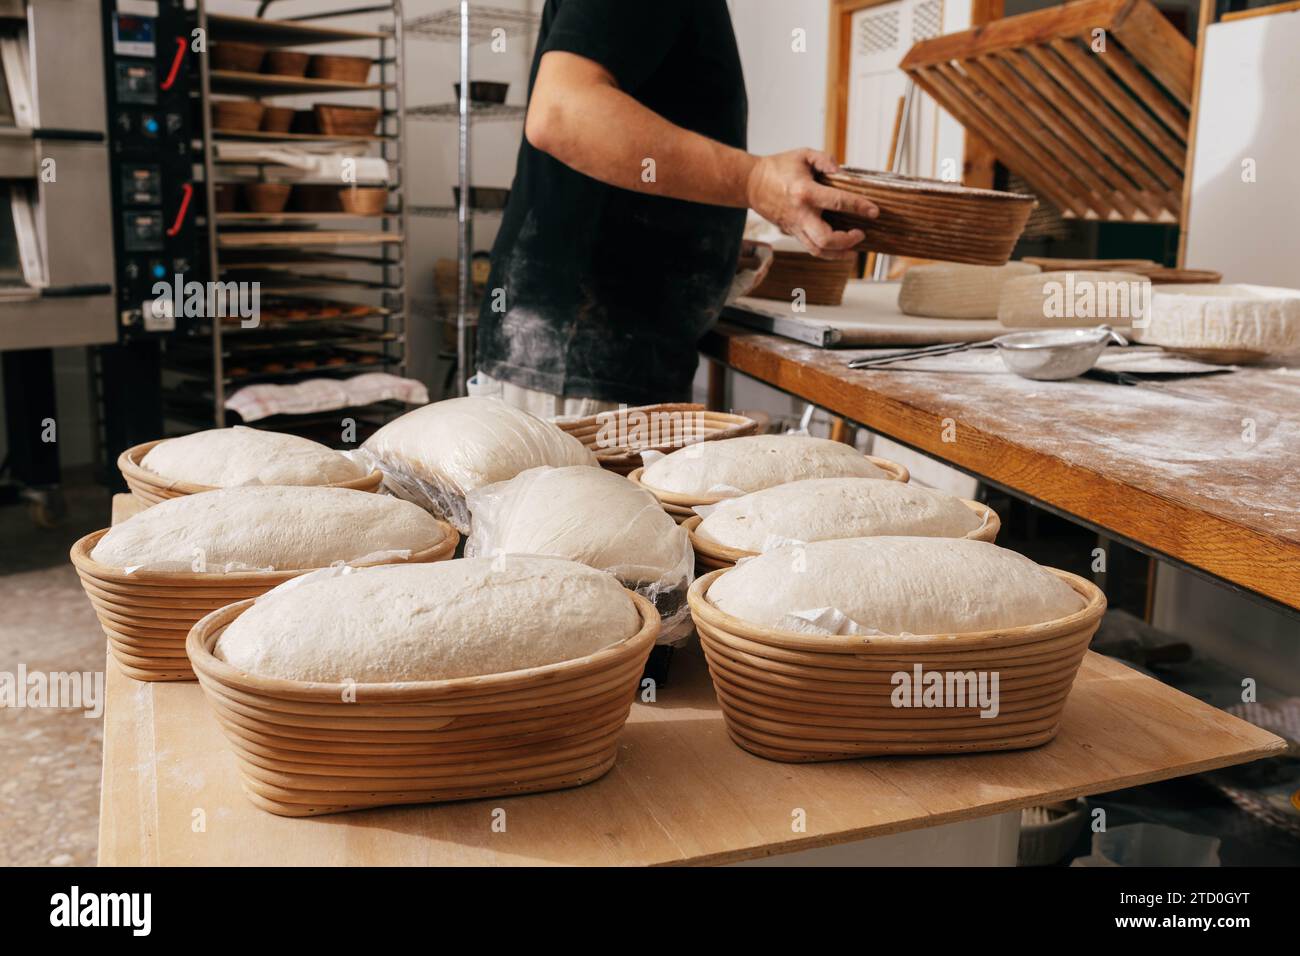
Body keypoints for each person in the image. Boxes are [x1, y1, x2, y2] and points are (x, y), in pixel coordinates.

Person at [475, 0, 879, 416]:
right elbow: (563, 113)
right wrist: (755, 181)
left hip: (590, 357)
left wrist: (701, 237)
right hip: (574, 359)